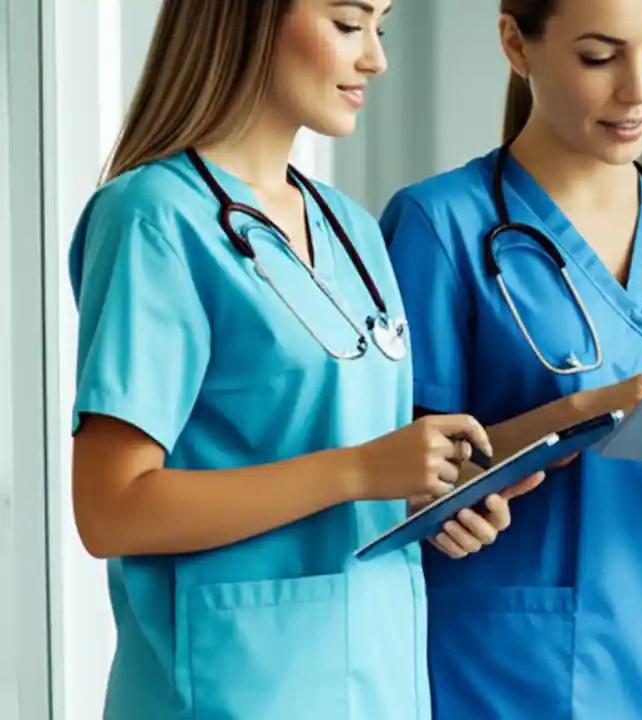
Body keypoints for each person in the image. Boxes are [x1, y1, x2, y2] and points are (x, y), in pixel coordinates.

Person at [68, 2, 540, 717]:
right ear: (245, 19)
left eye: (380, 28)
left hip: (379, 677)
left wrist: (423, 495)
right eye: (349, 25)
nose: (376, 58)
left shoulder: (350, 227)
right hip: (229, 689)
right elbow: (111, 509)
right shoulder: (154, 217)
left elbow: (331, 461)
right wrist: (359, 471)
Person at [379, 0, 642, 716]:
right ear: (516, 42)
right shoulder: (440, 225)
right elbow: (400, 474)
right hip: (503, 669)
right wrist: (586, 410)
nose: (638, 89)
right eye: (599, 57)